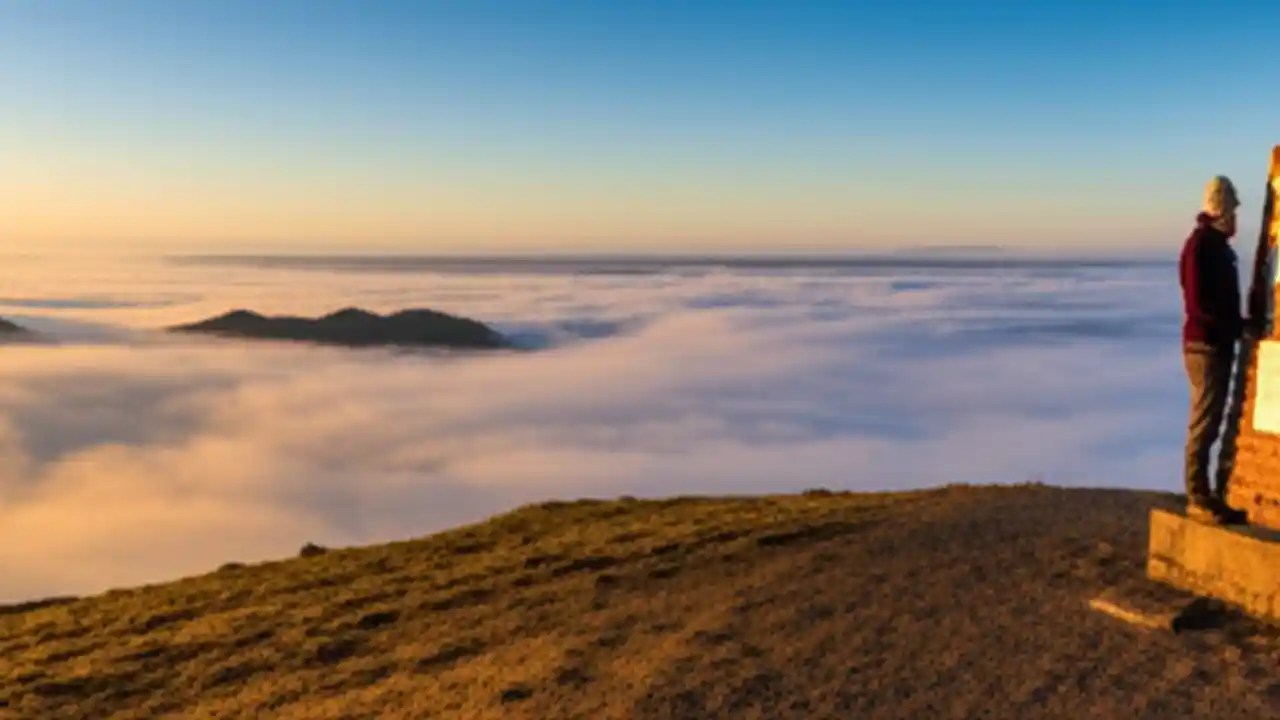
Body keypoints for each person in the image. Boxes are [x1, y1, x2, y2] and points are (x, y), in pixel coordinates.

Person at [1180, 175, 1248, 525]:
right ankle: (1197, 495)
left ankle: (1207, 494)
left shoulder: (1216, 246)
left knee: (1212, 419)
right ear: (1221, 209)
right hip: (1205, 346)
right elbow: (1199, 302)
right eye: (1233, 210)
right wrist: (1230, 327)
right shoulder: (1201, 246)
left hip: (1215, 344)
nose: (1236, 218)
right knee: (1204, 421)